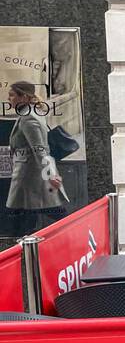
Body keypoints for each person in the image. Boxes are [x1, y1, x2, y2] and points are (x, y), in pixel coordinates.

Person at [5, 81, 67, 235]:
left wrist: (51, 174)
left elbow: (40, 148)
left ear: (24, 97)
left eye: (12, 95)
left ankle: (76, 231)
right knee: (31, 212)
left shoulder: (28, 118)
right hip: (31, 173)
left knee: (25, 213)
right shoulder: (32, 113)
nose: (9, 99)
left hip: (29, 174)